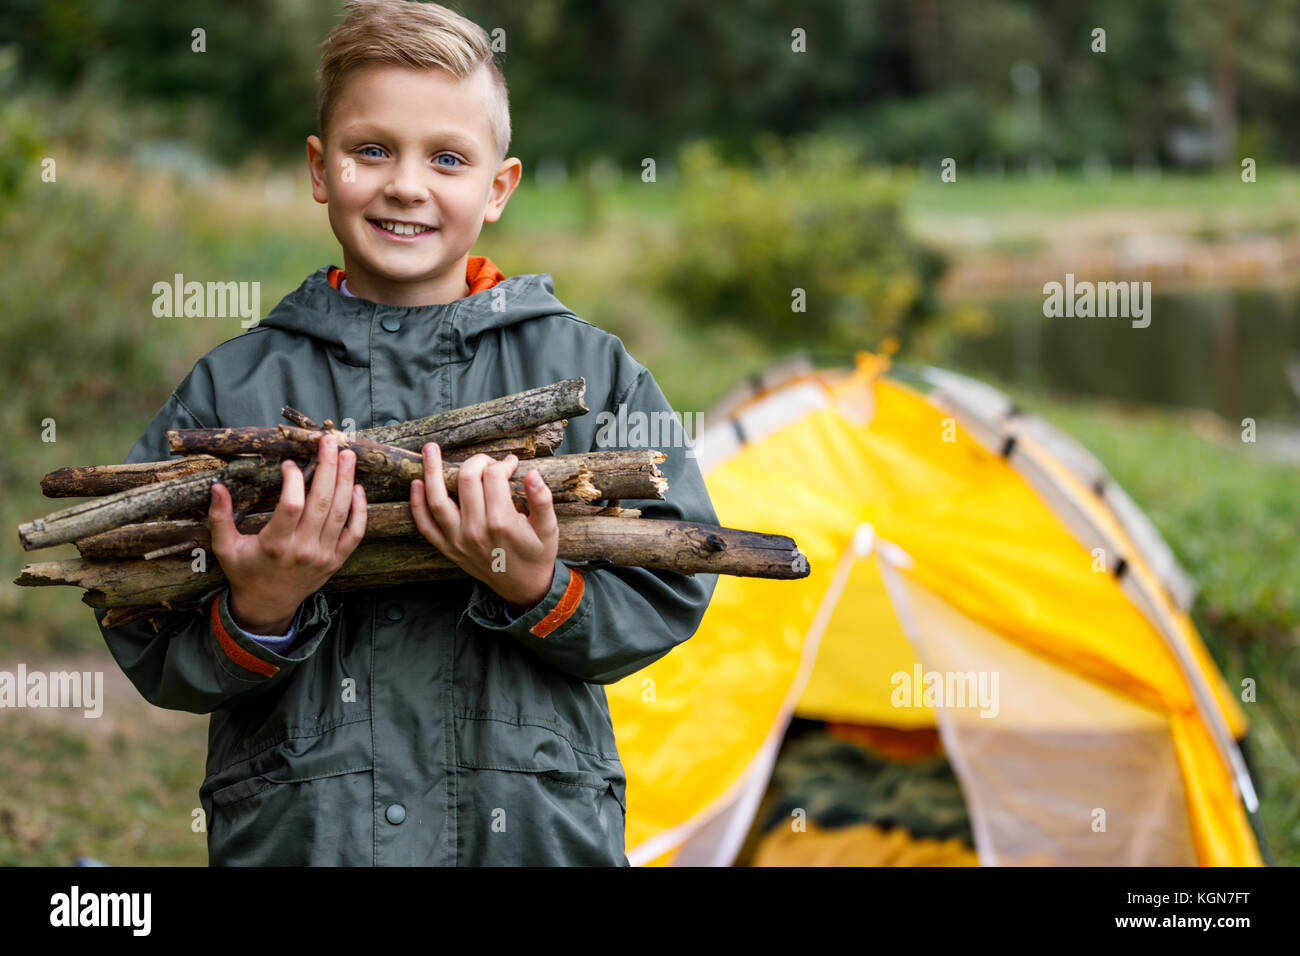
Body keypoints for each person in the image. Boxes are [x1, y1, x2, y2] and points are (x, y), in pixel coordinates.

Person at [94, 0, 718, 866]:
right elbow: (141, 617)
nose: (406, 185)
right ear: (321, 169)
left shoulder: (591, 374)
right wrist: (261, 606)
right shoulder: (232, 391)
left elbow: (671, 586)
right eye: (372, 149)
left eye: (449, 159)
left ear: (498, 188)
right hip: (307, 839)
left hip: (529, 835)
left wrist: (535, 580)